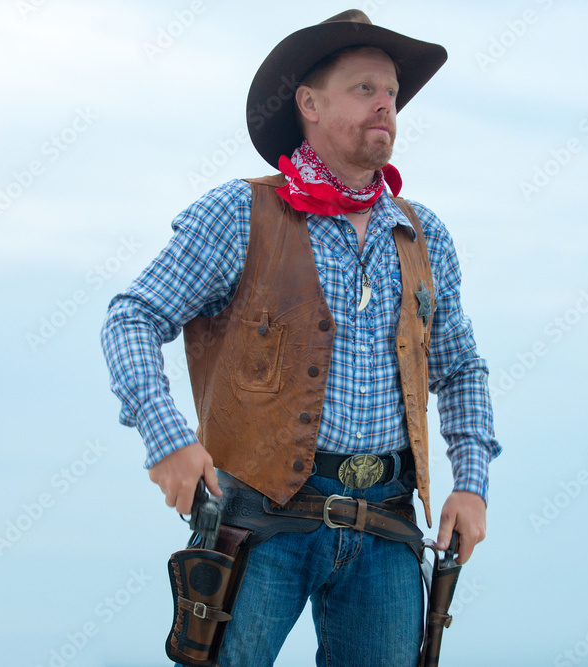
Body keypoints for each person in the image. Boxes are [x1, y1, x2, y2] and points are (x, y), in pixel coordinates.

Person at [101, 9, 501, 665]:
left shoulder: (423, 235)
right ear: (309, 103)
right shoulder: (240, 212)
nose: (385, 106)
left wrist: (472, 485)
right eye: (364, 89)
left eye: (392, 94)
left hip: (389, 523)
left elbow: (459, 371)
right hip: (260, 520)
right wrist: (167, 436)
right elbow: (133, 315)